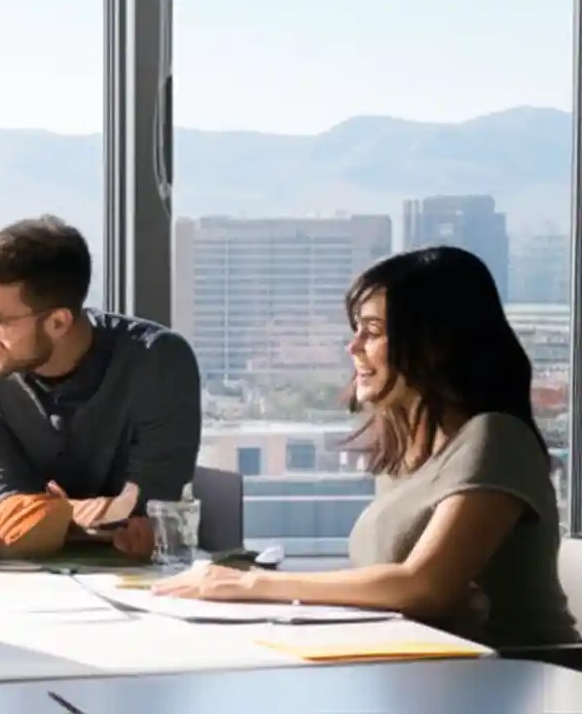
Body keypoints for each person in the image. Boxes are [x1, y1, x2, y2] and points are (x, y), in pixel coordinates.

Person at [152, 246, 579, 649]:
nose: (353, 346)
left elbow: (424, 587)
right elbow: (400, 589)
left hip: (513, 681)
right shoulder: (404, 457)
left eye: (372, 331)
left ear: (436, 345)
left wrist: (251, 586)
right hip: (423, 672)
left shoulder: (495, 438)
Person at [0, 215, 202, 562]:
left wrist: (50, 516)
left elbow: (144, 517)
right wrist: (85, 515)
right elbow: (5, 510)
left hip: (136, 581)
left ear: (58, 322)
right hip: (25, 582)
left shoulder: (158, 362)